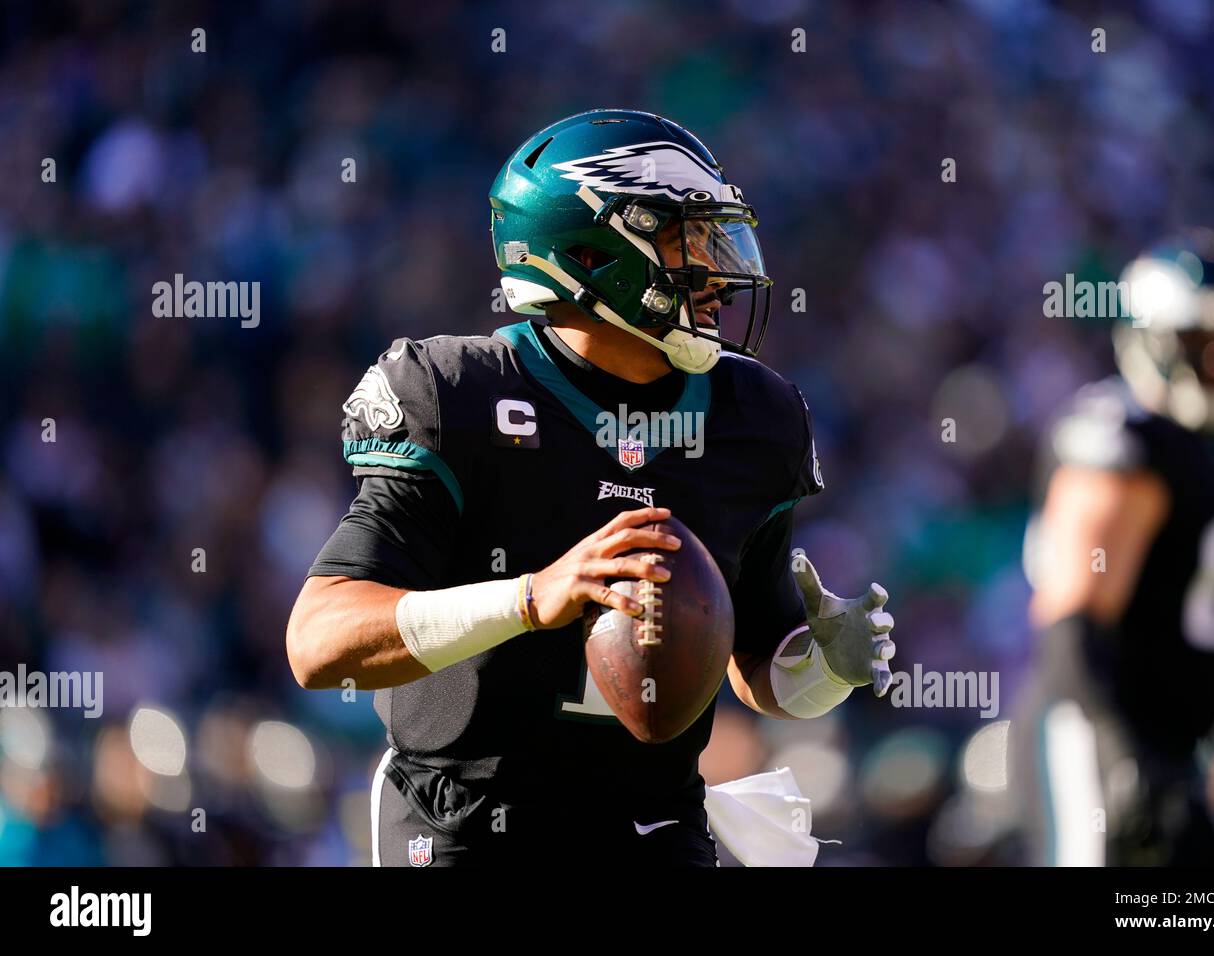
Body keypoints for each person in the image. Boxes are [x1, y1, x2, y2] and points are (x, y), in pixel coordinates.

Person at [286, 109, 898, 867]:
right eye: (686, 240)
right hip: (466, 825)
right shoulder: (461, 394)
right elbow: (318, 645)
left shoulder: (754, 418)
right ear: (590, 252)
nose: (716, 274)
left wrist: (825, 666)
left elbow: (758, 667)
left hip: (653, 826)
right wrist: (530, 597)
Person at [1014, 228, 1214, 865]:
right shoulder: (1121, 445)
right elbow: (1072, 624)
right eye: (1200, 348)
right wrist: (1122, 753)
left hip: (1181, 742)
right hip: (1092, 731)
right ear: (1149, 342)